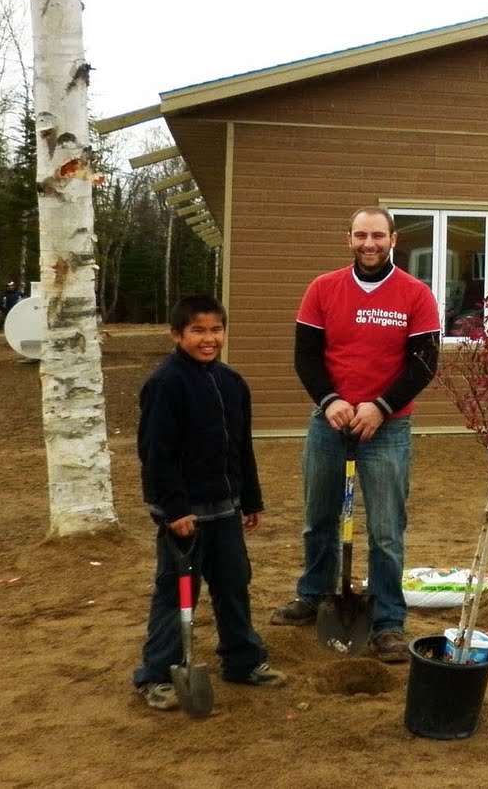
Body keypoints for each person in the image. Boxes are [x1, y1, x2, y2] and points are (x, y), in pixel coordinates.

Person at [272, 206, 441, 663]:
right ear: (349, 238)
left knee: (386, 530)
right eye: (361, 236)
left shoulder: (415, 294)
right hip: (330, 423)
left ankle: (387, 622)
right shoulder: (323, 289)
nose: (370, 244)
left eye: (378, 236)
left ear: (393, 239)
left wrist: (381, 408)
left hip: (388, 428)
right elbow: (306, 356)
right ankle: (312, 595)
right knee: (318, 519)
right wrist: (331, 401)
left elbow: (425, 362)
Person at [133, 295, 285, 711]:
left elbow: (241, 448)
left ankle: (242, 660)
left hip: (226, 510)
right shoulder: (165, 384)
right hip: (183, 516)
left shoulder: (232, 383)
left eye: (216, 329)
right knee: (176, 592)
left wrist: (250, 498)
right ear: (177, 334)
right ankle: (157, 675)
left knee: (234, 583)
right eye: (198, 330)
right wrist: (175, 508)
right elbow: (156, 453)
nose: (208, 338)